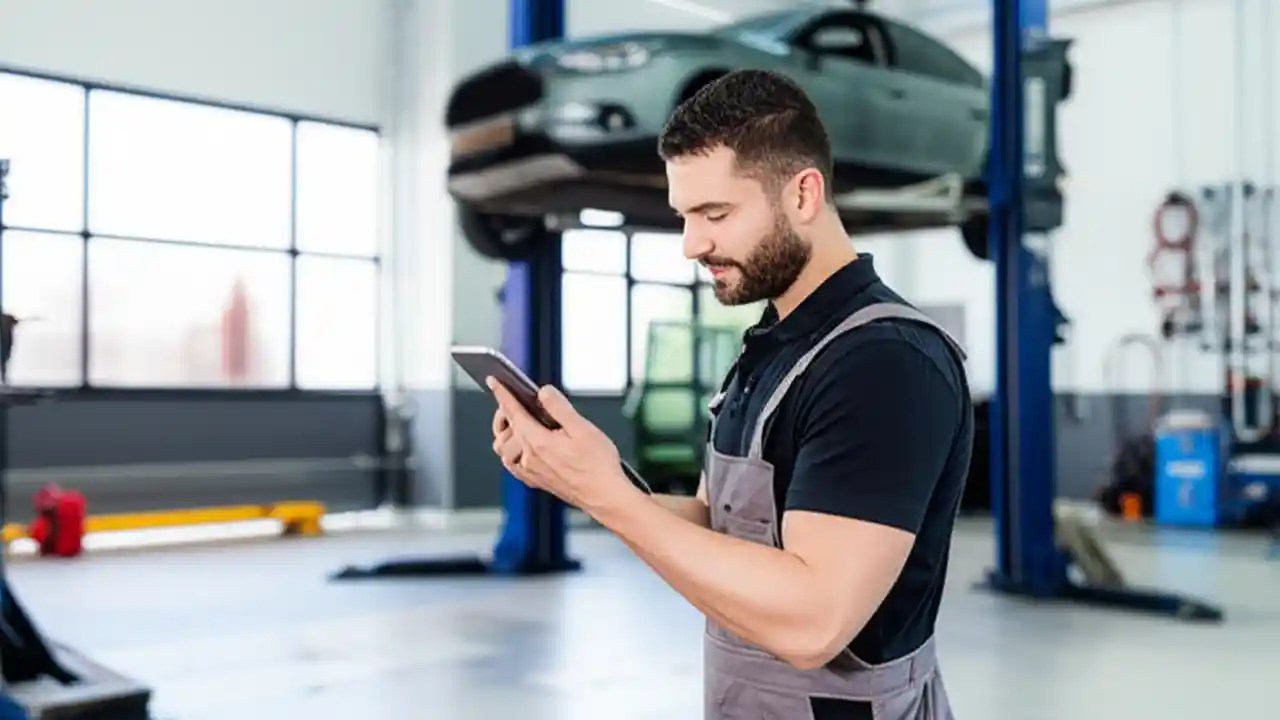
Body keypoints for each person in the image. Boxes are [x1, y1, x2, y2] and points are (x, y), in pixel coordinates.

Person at [489, 68, 973, 719]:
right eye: (685, 215)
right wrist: (582, 477)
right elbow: (720, 527)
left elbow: (814, 622)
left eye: (715, 214)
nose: (693, 244)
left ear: (804, 194)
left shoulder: (883, 364)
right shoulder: (771, 346)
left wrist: (607, 496)